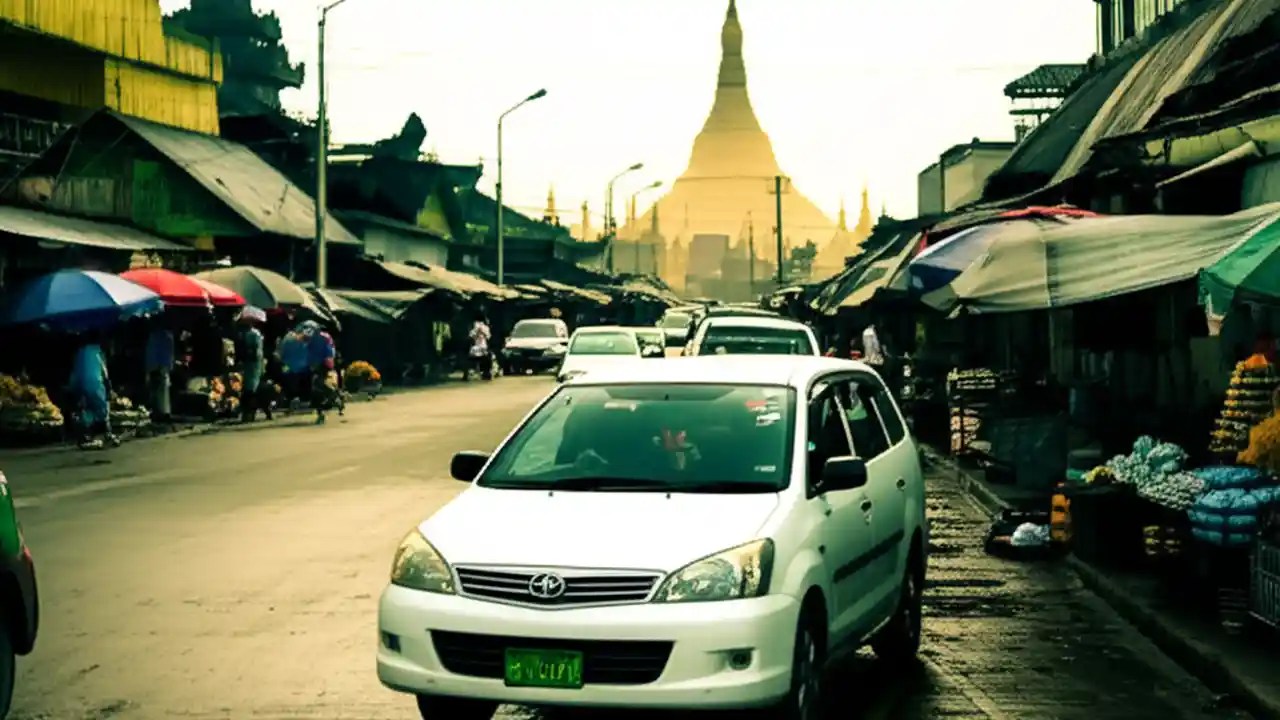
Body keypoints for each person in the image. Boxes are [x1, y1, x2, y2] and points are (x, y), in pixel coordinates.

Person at [68, 335, 118, 449]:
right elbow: (104, 373)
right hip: (95, 383)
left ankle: (85, 435)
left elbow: (75, 373)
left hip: (79, 384)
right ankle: (107, 434)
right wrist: (109, 388)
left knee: (85, 408)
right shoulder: (98, 352)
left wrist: (72, 387)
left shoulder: (79, 353)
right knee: (102, 408)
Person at [238, 310, 271, 422]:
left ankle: (248, 413)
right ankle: (251, 412)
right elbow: (257, 351)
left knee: (249, 387)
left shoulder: (245, 334)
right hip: (255, 363)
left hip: (250, 363)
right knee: (253, 388)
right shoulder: (254, 334)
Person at [144, 319, 175, 423]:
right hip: (164, 365)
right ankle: (165, 411)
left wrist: (149, 368)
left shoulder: (154, 336)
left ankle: (159, 412)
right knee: (164, 389)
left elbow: (151, 353)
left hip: (156, 365)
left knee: (156, 390)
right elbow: (170, 353)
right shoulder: (168, 336)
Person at [466, 313, 492, 381]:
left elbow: (488, 337)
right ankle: (471, 372)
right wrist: (477, 331)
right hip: (475, 347)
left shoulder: (485, 327)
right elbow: (471, 336)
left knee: (486, 359)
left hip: (483, 347)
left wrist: (482, 332)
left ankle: (486, 373)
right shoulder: (474, 328)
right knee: (472, 359)